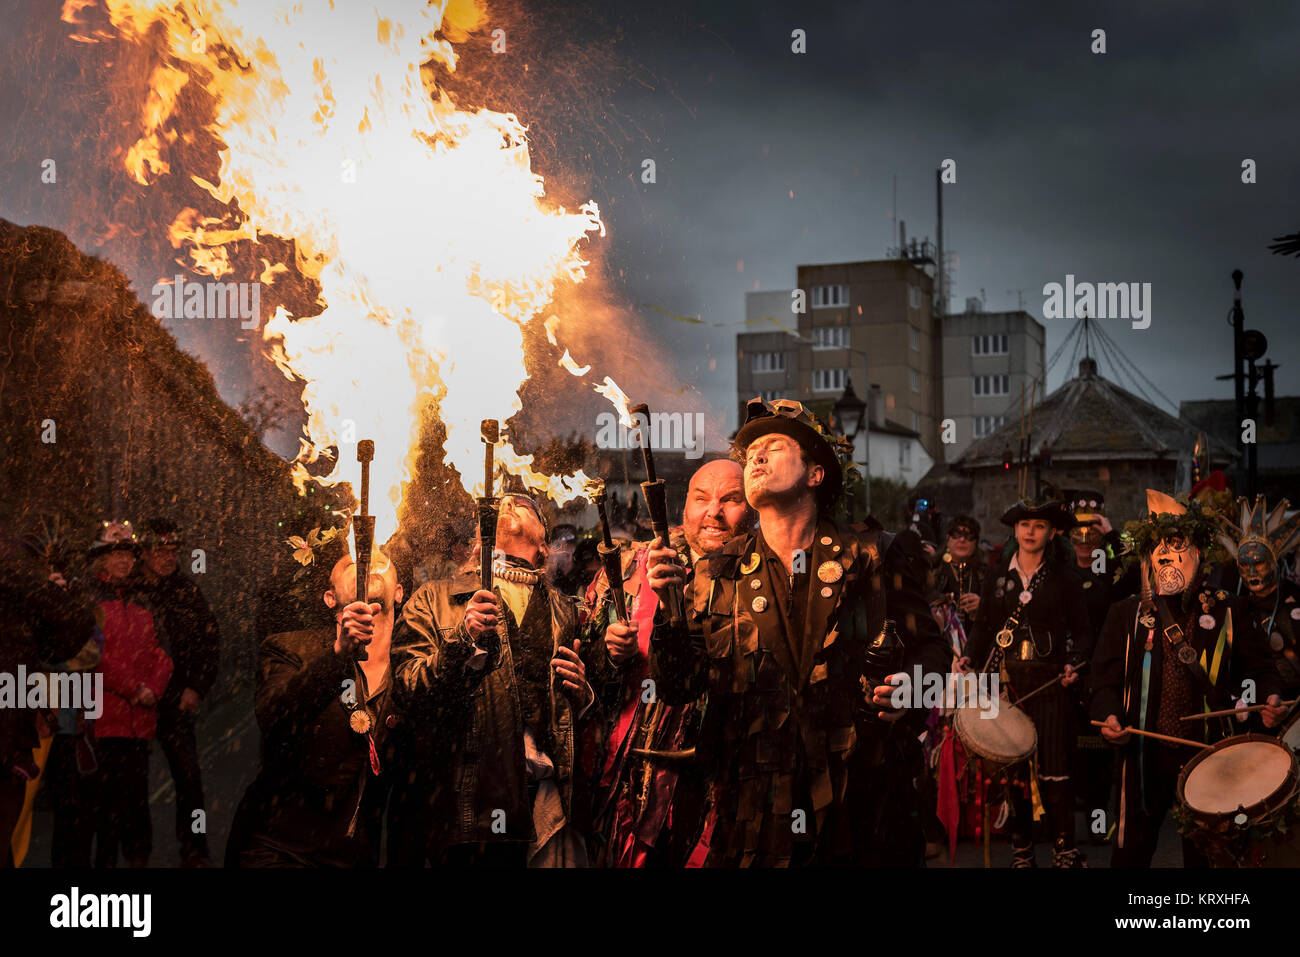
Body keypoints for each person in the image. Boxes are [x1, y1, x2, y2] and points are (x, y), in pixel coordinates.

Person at [647, 398, 947, 866]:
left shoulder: (878, 555)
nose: (756, 458)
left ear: (815, 474)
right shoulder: (712, 572)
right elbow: (677, 687)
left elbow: (933, 650)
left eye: (774, 446)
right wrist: (669, 613)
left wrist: (910, 688)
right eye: (751, 454)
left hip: (863, 811)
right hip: (755, 818)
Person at [388, 493, 595, 866]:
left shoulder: (566, 612)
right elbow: (405, 688)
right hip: (465, 805)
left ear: (545, 546)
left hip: (543, 805)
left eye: (525, 505)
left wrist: (582, 695)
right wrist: (461, 647)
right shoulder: (433, 599)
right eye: (502, 502)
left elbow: (591, 716)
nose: (509, 502)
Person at [1091, 490, 1286, 867]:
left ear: (1197, 555)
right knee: (1131, 852)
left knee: (1208, 856)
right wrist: (1110, 716)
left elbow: (1262, 670)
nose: (1167, 557)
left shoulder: (1230, 608)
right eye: (1159, 550)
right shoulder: (1125, 614)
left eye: (1178, 549)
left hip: (1210, 754)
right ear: (1148, 557)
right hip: (1144, 754)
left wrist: (1271, 697)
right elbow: (1103, 681)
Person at [583, 458, 755, 867]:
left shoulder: (761, 573)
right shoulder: (629, 565)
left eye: (730, 500)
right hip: (630, 772)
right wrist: (606, 652)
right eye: (701, 498)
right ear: (683, 507)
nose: (713, 512)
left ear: (752, 509)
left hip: (721, 779)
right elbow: (581, 661)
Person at [227, 550, 403, 867]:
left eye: (380, 560)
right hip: (278, 848)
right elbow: (275, 717)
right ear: (330, 598)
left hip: (353, 858)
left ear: (399, 591)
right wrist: (338, 655)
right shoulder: (290, 648)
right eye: (352, 563)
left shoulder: (411, 670)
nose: (367, 563)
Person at [959, 497, 1092, 868]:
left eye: (1038, 526)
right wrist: (968, 654)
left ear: (1051, 533)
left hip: (1051, 684)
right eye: (1024, 525)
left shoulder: (1067, 577)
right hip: (1007, 684)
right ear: (1015, 531)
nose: (1030, 532)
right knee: (1014, 770)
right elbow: (983, 626)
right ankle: (1022, 851)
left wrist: (1076, 664)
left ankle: (1064, 848)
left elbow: (1083, 632)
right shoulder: (997, 575)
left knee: (1054, 770)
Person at [0, 520, 97, 867]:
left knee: (64, 803)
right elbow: (71, 637)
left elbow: (80, 647)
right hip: (18, 721)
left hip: (40, 717)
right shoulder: (20, 581)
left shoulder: (33, 588)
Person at [84, 520, 173, 868]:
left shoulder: (145, 600)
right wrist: (133, 687)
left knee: (136, 800)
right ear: (101, 560)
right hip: (104, 721)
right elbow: (92, 654)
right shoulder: (90, 599)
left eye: (127, 555)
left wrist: (154, 688)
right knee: (106, 804)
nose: (123, 561)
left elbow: (162, 651)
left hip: (139, 721)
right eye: (115, 554)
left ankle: (138, 860)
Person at [133, 518, 219, 867]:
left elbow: (209, 641)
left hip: (175, 698)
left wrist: (196, 687)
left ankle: (195, 849)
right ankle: (137, 851)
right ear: (145, 553)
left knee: (188, 778)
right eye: (160, 551)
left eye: (173, 551)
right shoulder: (130, 590)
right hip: (135, 698)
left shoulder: (186, 591)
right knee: (132, 783)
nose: (168, 558)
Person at [1215, 495, 1300, 705]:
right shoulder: (1234, 608)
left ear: (1274, 562)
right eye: (1244, 565)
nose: (1251, 571)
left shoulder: (1296, 598)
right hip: (1256, 709)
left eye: (1259, 562)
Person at [934, 515, 985, 640]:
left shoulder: (985, 574)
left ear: (976, 542)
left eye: (969, 536)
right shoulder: (933, 570)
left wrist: (982, 604)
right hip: (938, 641)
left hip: (974, 641)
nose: (962, 540)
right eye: (957, 534)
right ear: (947, 538)